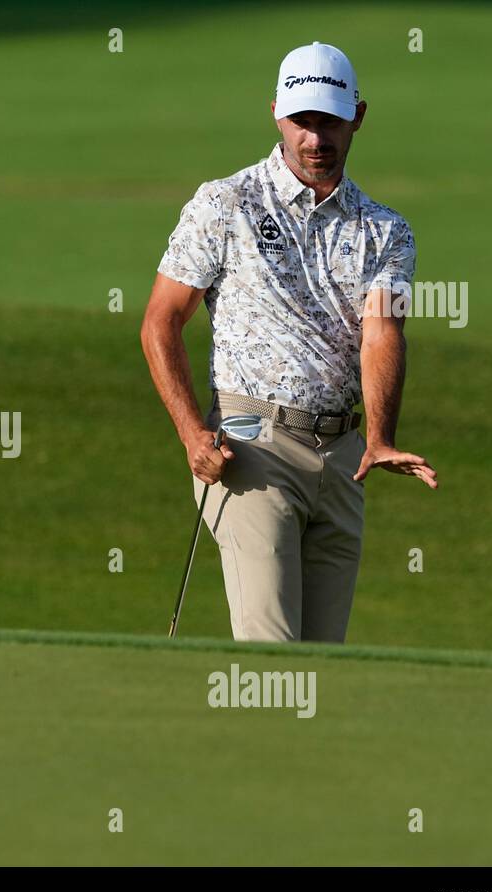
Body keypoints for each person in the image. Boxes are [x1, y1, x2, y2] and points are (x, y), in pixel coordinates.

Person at [140, 41, 438, 643]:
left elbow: (384, 331)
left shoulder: (388, 231)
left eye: (329, 121)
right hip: (252, 451)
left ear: (357, 116)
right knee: (272, 656)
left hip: (345, 458)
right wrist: (191, 434)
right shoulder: (225, 204)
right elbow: (160, 321)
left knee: (324, 667)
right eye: (303, 121)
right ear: (277, 113)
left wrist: (379, 437)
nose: (315, 138)